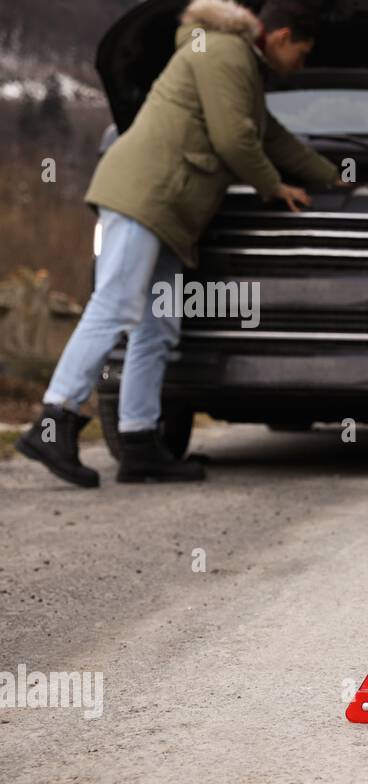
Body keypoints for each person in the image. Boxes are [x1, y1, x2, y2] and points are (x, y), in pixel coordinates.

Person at [17, 0, 339, 487]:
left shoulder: (244, 69)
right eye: (304, 52)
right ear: (281, 36)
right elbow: (235, 140)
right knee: (116, 305)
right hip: (144, 196)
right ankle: (53, 421)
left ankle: (141, 443)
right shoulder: (225, 52)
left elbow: (270, 136)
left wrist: (335, 179)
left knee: (157, 326)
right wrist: (274, 186)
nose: (303, 65)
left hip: (170, 213)